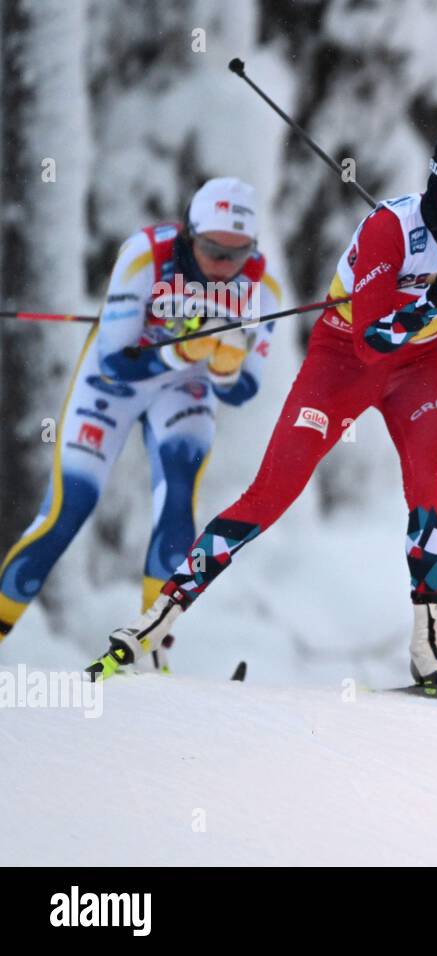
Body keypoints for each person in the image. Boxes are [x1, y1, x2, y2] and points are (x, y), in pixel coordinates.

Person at [86, 127, 437, 686]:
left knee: (429, 487)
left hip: (420, 365)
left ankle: (427, 641)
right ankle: (153, 624)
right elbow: (371, 342)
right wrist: (433, 297)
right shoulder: (391, 231)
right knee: (272, 494)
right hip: (345, 357)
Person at [0, 178, 281, 668]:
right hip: (113, 386)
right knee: (70, 508)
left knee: (178, 496)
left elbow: (244, 391)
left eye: (239, 255)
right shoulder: (146, 255)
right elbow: (114, 359)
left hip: (183, 390)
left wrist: (225, 369)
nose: (225, 268)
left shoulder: (261, 287)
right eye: (214, 252)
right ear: (191, 235)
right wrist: (183, 352)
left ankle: (151, 651)